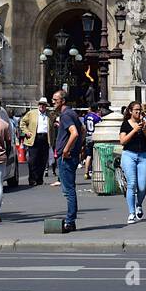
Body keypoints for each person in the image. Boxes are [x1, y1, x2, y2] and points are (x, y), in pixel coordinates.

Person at [119, 101, 146, 224]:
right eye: (136, 110)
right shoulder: (125, 124)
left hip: (142, 156)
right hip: (129, 154)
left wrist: (144, 130)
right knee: (132, 183)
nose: (138, 112)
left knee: (143, 186)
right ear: (130, 111)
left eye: (140, 110)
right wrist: (134, 130)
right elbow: (122, 141)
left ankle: (138, 204)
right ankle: (131, 212)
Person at [52, 91, 83, 232]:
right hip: (73, 155)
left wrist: (66, 149)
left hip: (66, 157)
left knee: (69, 190)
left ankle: (70, 221)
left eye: (55, 99)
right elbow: (82, 130)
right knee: (70, 189)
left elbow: (75, 132)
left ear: (62, 101)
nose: (53, 102)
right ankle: (71, 220)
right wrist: (78, 147)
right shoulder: (72, 113)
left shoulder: (65, 115)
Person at [19, 98, 54, 186]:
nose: (41, 106)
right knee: (33, 160)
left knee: (43, 160)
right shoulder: (32, 113)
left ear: (46, 106)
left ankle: (39, 178)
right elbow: (22, 123)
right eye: (40, 104)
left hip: (45, 138)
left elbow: (53, 126)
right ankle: (32, 179)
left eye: (43, 104)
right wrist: (27, 132)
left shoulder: (50, 115)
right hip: (34, 138)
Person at [80, 105, 102, 181]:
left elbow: (85, 126)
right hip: (94, 136)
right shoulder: (97, 117)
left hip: (88, 136)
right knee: (96, 155)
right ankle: (96, 171)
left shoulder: (86, 116)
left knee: (88, 155)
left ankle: (86, 172)